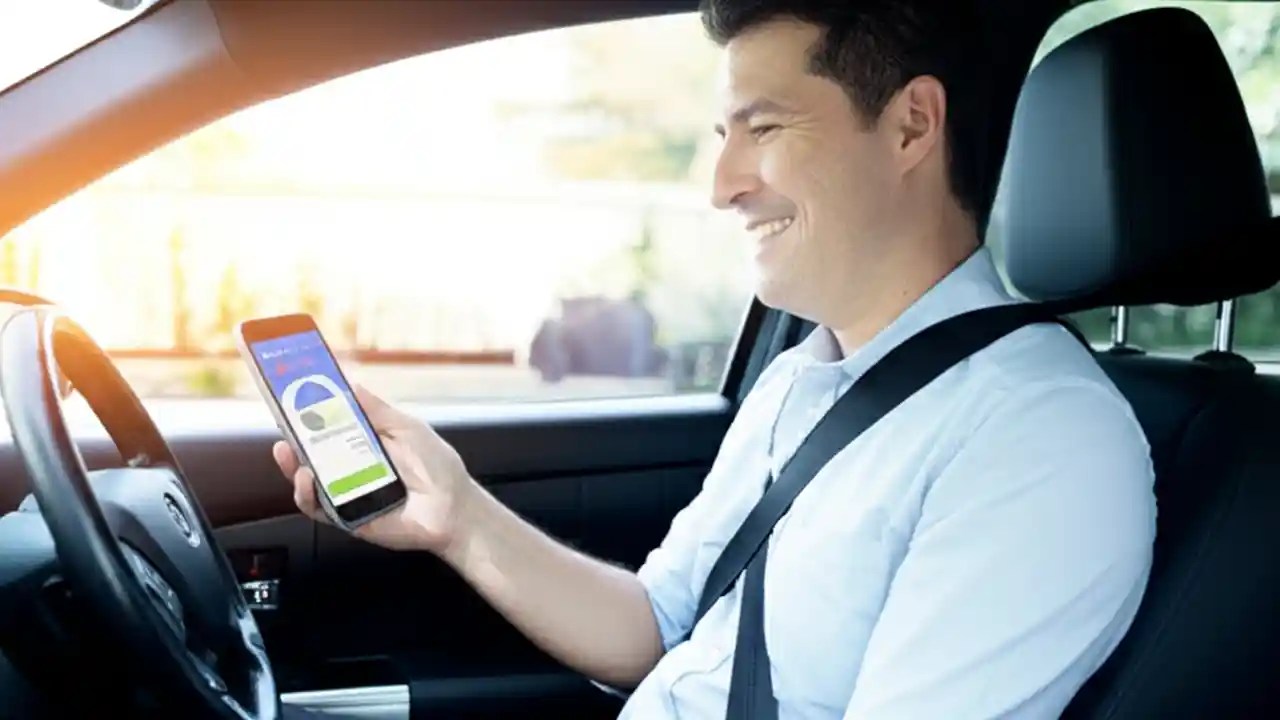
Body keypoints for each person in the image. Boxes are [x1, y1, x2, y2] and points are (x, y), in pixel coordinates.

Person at [274, 1, 1156, 717]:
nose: (721, 182)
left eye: (762, 127)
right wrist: (458, 516)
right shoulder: (803, 379)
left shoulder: (1040, 437)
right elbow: (657, 628)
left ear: (911, 126)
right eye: (722, 134)